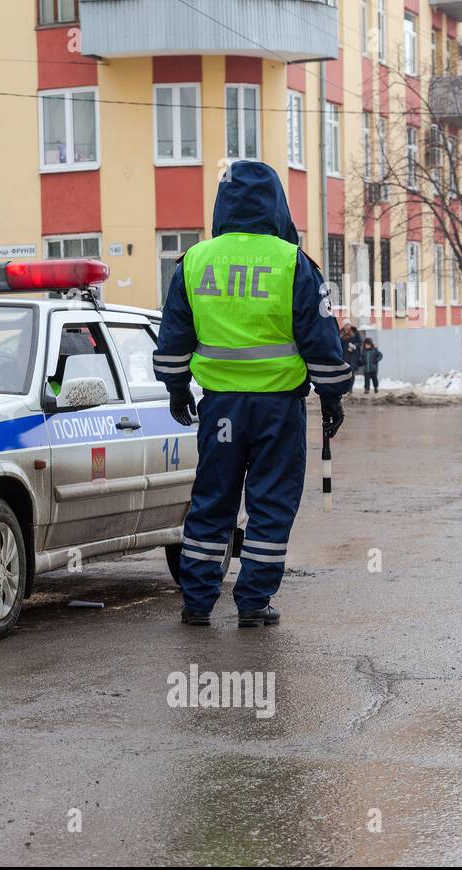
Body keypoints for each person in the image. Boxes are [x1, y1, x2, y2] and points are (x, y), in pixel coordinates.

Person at [152, 161, 350, 629]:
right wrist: (333, 396)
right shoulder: (292, 263)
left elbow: (174, 335)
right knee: (271, 502)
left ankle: (197, 600)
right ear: (276, 204)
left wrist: (177, 388)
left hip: (219, 405)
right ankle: (254, 600)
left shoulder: (195, 260)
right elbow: (320, 340)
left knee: (212, 499)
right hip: (278, 409)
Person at [341, 324, 362, 393]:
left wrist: (354, 346)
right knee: (345, 373)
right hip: (344, 356)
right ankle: (345, 388)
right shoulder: (341, 333)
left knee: (352, 373)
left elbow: (360, 342)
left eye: (348, 325)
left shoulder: (355, 332)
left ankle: (350, 389)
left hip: (353, 356)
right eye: (345, 325)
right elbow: (338, 343)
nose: (347, 327)